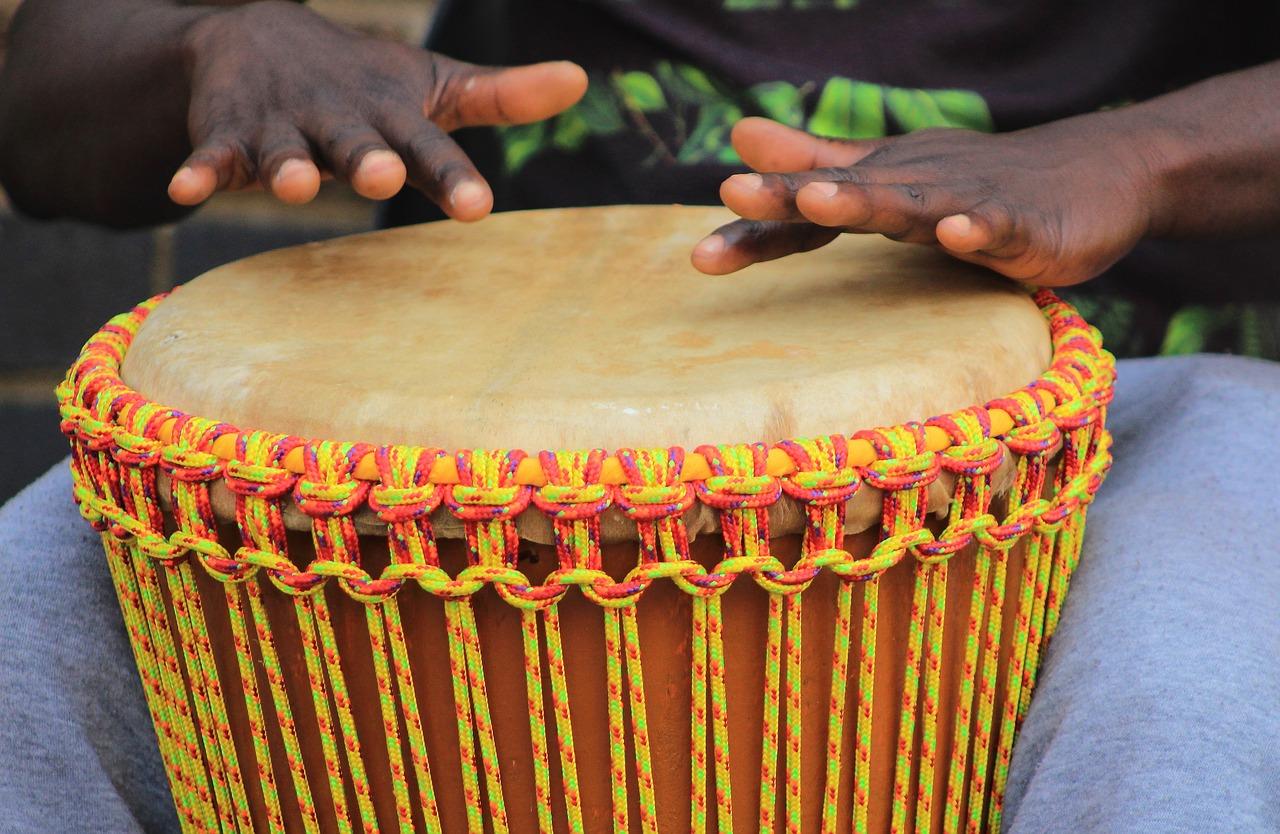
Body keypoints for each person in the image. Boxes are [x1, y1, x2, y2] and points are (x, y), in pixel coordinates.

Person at [0, 1, 1277, 831]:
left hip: (1119, 404)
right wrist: (208, 39)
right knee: (21, 630)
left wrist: (1138, 156)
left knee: (1174, 701)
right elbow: (37, 108)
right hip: (383, 470)